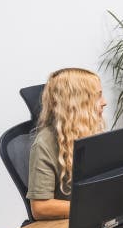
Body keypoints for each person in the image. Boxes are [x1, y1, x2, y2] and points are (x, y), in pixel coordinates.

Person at [26, 68, 107, 220]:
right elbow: (40, 208)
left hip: (97, 219)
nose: (104, 102)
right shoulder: (44, 144)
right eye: (98, 96)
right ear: (76, 104)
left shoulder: (90, 130)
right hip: (67, 226)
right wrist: (94, 207)